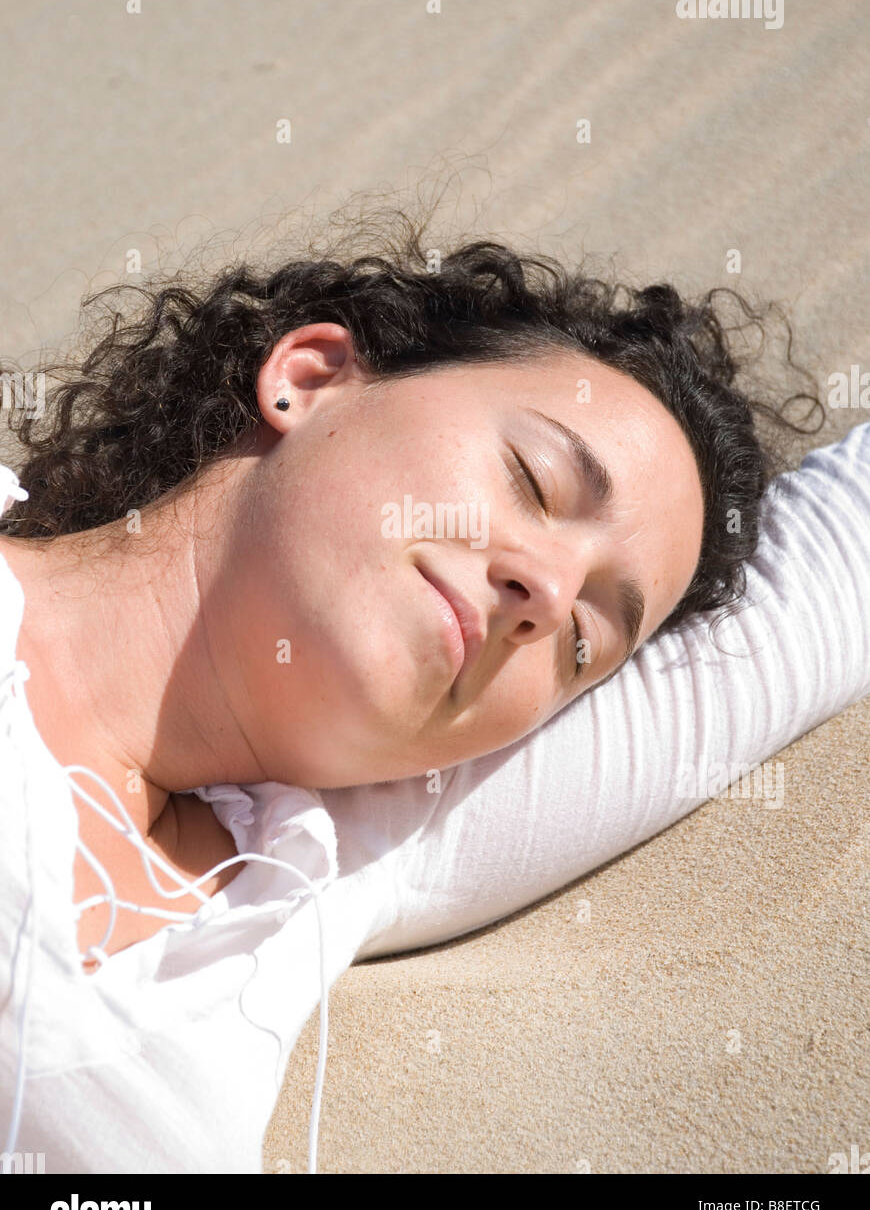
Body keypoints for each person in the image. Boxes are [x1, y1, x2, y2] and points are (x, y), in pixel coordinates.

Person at [0, 214, 819, 969]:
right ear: (312, 378)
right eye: (533, 481)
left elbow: (821, 598)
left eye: (581, 640)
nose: (547, 588)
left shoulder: (317, 884)